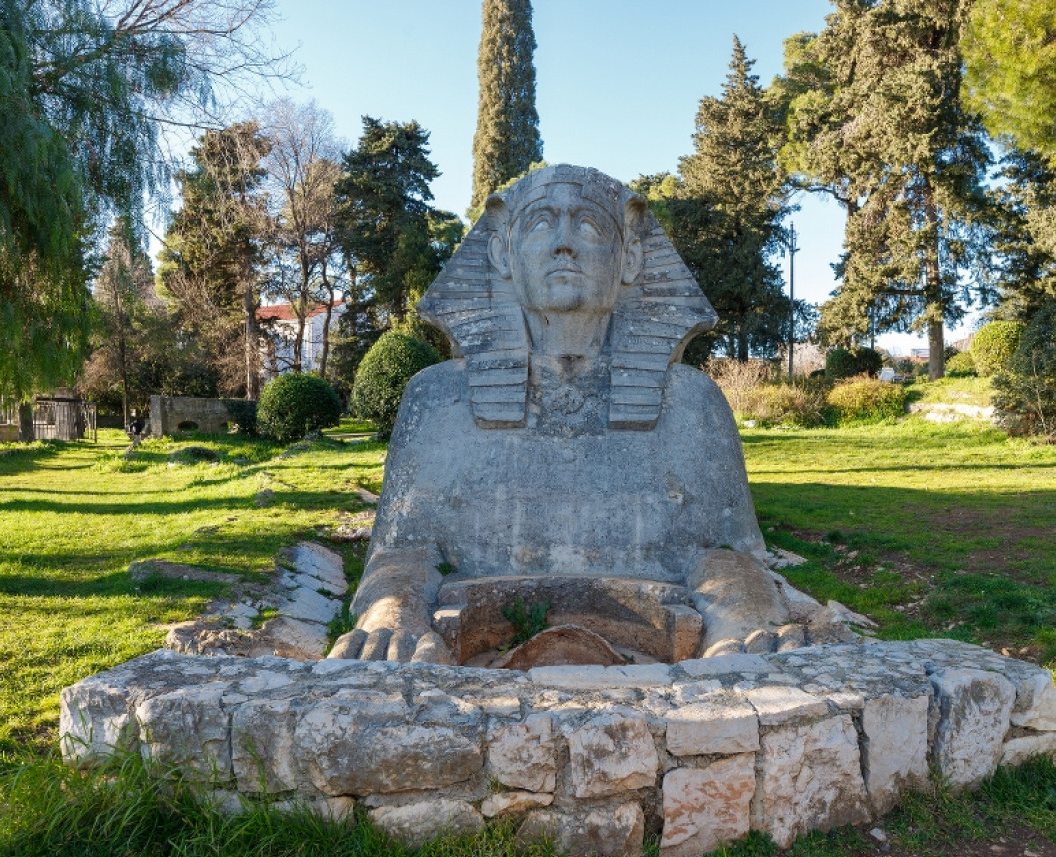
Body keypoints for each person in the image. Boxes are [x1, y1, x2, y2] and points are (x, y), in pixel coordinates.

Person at [329, 166, 806, 663]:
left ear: (632, 258)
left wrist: (744, 616)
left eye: (588, 227)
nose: (564, 245)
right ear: (500, 254)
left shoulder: (692, 404)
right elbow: (403, 553)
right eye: (539, 224)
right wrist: (393, 615)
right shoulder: (436, 399)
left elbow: (725, 553)